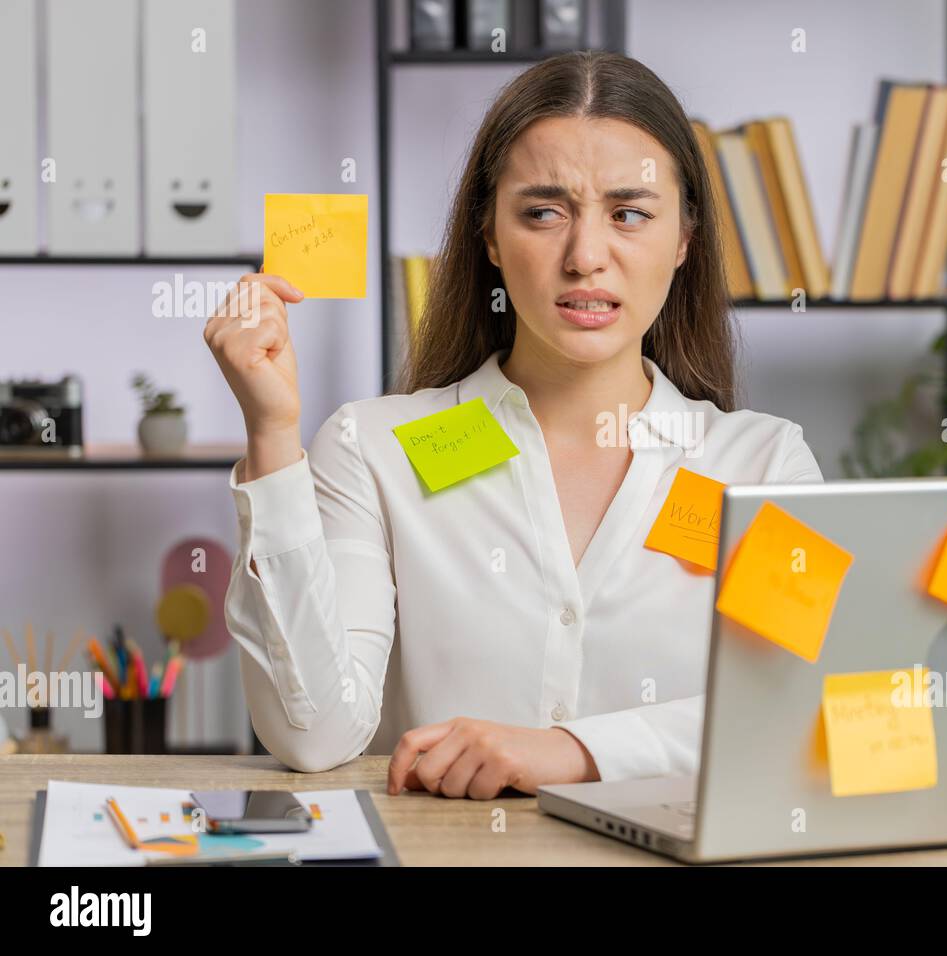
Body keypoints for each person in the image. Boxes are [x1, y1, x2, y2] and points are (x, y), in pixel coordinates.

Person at [205, 51, 822, 800]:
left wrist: (572, 752)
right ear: (490, 237)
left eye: (630, 213)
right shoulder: (373, 449)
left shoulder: (763, 465)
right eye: (543, 212)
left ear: (685, 240)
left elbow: (800, 711)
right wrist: (272, 436)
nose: (586, 257)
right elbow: (315, 733)